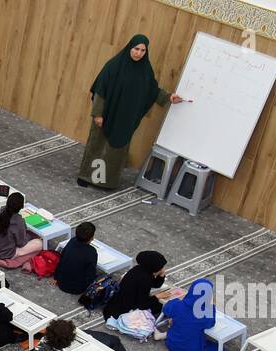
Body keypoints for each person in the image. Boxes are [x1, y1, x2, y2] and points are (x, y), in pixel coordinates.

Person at [76, 34, 182, 190]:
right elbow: (100, 91)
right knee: (97, 146)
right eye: (136, 49)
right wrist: (98, 114)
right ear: (130, 48)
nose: (138, 53)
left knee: (115, 152)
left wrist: (169, 97)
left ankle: (106, 182)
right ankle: (86, 177)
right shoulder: (113, 66)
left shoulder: (145, 71)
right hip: (106, 115)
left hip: (125, 119)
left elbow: (152, 90)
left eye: (142, 50)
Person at [0, 192, 42, 271]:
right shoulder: (19, 221)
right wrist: (29, 236)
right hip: (4, 254)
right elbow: (21, 243)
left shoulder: (1, 210)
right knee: (39, 243)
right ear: (22, 206)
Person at [163, 278, 220, 351]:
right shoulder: (204, 314)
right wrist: (210, 305)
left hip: (172, 344)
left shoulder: (178, 305)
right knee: (220, 349)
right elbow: (211, 324)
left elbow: (166, 308)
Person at [103, 250, 169, 320]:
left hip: (118, 302)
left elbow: (155, 285)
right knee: (162, 306)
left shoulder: (139, 269)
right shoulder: (145, 279)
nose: (162, 270)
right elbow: (142, 304)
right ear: (153, 269)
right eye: (160, 268)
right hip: (125, 309)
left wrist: (161, 276)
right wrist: (157, 296)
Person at [53, 222, 99, 294]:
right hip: (78, 288)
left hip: (61, 282)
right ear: (92, 237)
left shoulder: (72, 241)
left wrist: (56, 277)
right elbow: (90, 273)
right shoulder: (92, 252)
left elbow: (61, 260)